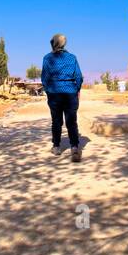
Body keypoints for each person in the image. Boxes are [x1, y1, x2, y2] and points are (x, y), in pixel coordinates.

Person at [41, 33, 83, 161]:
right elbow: (78, 77)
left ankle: (56, 147)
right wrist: (76, 90)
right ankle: (74, 147)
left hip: (54, 94)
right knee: (71, 121)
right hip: (70, 93)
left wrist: (48, 91)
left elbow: (44, 78)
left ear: (54, 43)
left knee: (56, 121)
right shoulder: (72, 58)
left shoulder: (47, 58)